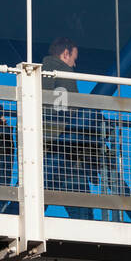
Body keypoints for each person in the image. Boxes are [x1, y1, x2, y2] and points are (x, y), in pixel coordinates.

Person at [41, 37, 98, 219]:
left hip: (44, 153)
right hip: (67, 157)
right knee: (83, 218)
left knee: (30, 207)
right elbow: (62, 111)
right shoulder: (64, 74)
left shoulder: (40, 76)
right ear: (65, 54)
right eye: (74, 57)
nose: (75, 63)